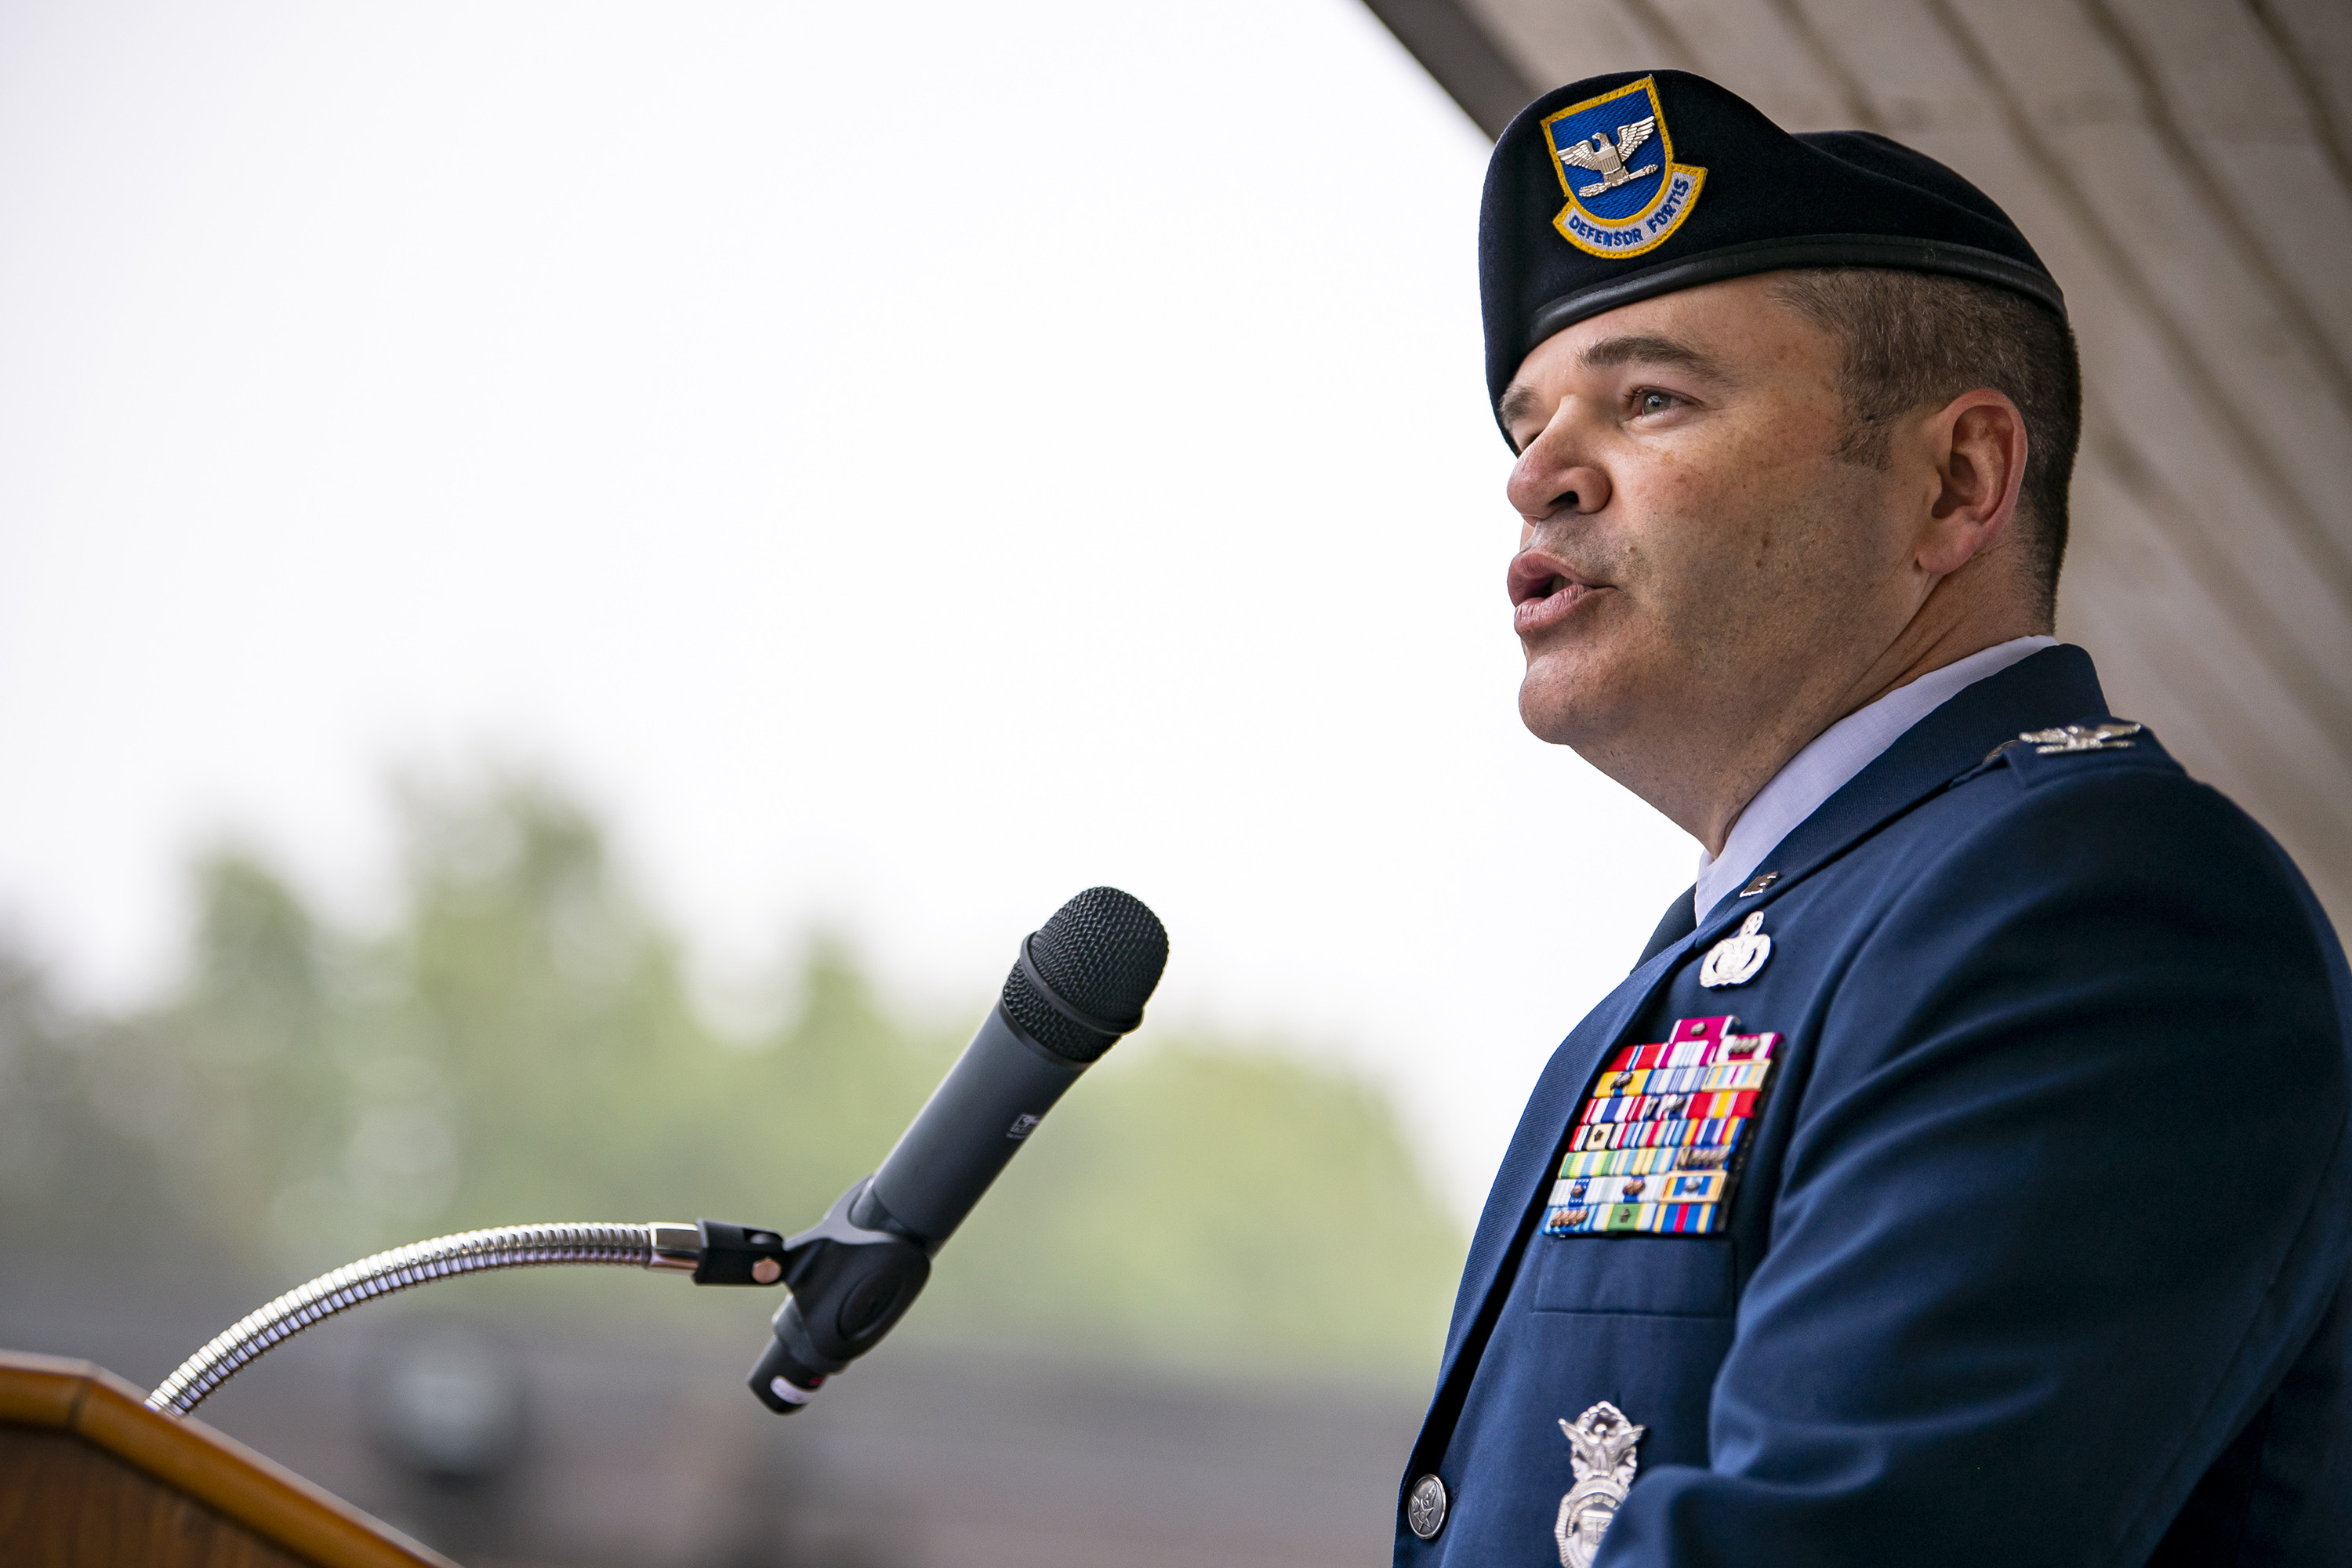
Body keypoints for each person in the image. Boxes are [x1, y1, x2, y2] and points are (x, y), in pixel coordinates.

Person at [1394, 69, 2352, 1567]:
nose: (1536, 477)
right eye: (1529, 422)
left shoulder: (2098, 912)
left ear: (1956, 482)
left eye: (1652, 399)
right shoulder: (1751, 946)